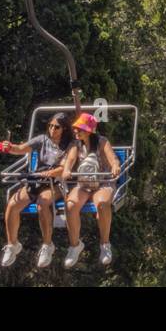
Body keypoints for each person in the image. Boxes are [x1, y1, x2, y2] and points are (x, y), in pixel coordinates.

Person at [0, 112, 74, 268]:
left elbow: (63, 168)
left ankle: (47, 245)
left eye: (57, 127)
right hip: (38, 180)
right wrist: (9, 147)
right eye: (50, 126)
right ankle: (12, 244)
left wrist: (48, 173)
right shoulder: (42, 140)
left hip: (56, 183)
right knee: (12, 204)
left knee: (43, 202)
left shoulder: (70, 145)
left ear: (64, 129)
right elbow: (20, 148)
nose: (52, 129)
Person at [61, 111, 121, 269]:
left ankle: (105, 244)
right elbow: (70, 160)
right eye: (75, 128)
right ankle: (75, 245)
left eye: (79, 129)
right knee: (70, 205)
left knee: (102, 204)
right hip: (84, 183)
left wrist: (115, 166)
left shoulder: (101, 141)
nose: (76, 131)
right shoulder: (76, 144)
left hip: (102, 181)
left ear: (88, 130)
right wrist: (66, 170)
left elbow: (112, 158)